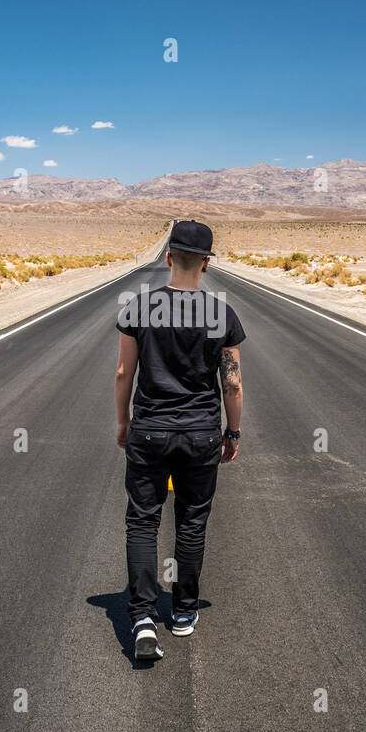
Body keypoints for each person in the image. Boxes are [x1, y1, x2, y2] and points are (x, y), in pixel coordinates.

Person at [114, 220, 245, 661]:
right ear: (206, 264)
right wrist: (233, 430)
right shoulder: (221, 314)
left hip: (149, 430)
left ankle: (143, 617)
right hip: (201, 434)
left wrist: (122, 423)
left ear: (169, 257)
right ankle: (184, 613)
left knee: (142, 521)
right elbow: (232, 382)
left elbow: (122, 374)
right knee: (191, 522)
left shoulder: (138, 307)